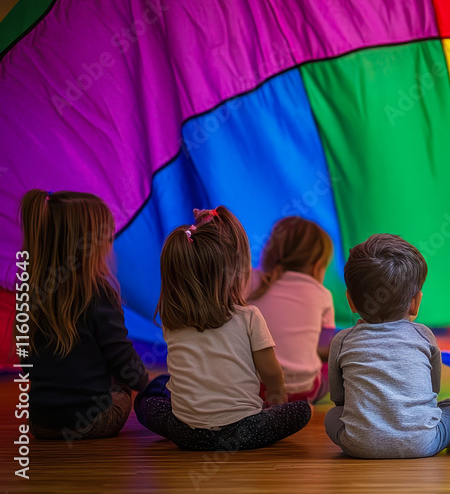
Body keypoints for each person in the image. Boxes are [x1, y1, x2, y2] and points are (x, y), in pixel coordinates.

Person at [134, 207, 311, 451]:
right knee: (302, 410)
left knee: (150, 397)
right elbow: (271, 372)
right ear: (231, 273)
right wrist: (276, 398)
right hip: (242, 431)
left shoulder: (171, 320)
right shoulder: (249, 316)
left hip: (188, 435)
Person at [324, 234, 450, 458]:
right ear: (415, 303)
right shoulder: (424, 335)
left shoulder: (342, 340)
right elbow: (432, 392)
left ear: (350, 301)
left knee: (332, 415)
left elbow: (339, 399)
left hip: (359, 446)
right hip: (424, 444)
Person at [21, 190, 149, 441]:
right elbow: (123, 362)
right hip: (92, 422)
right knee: (122, 387)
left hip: (39, 424)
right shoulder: (99, 292)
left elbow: (27, 364)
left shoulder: (30, 293)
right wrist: (153, 388)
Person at [250, 217, 336, 404]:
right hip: (300, 393)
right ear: (318, 266)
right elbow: (323, 344)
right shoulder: (322, 294)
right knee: (333, 366)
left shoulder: (250, 280)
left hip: (253, 390)